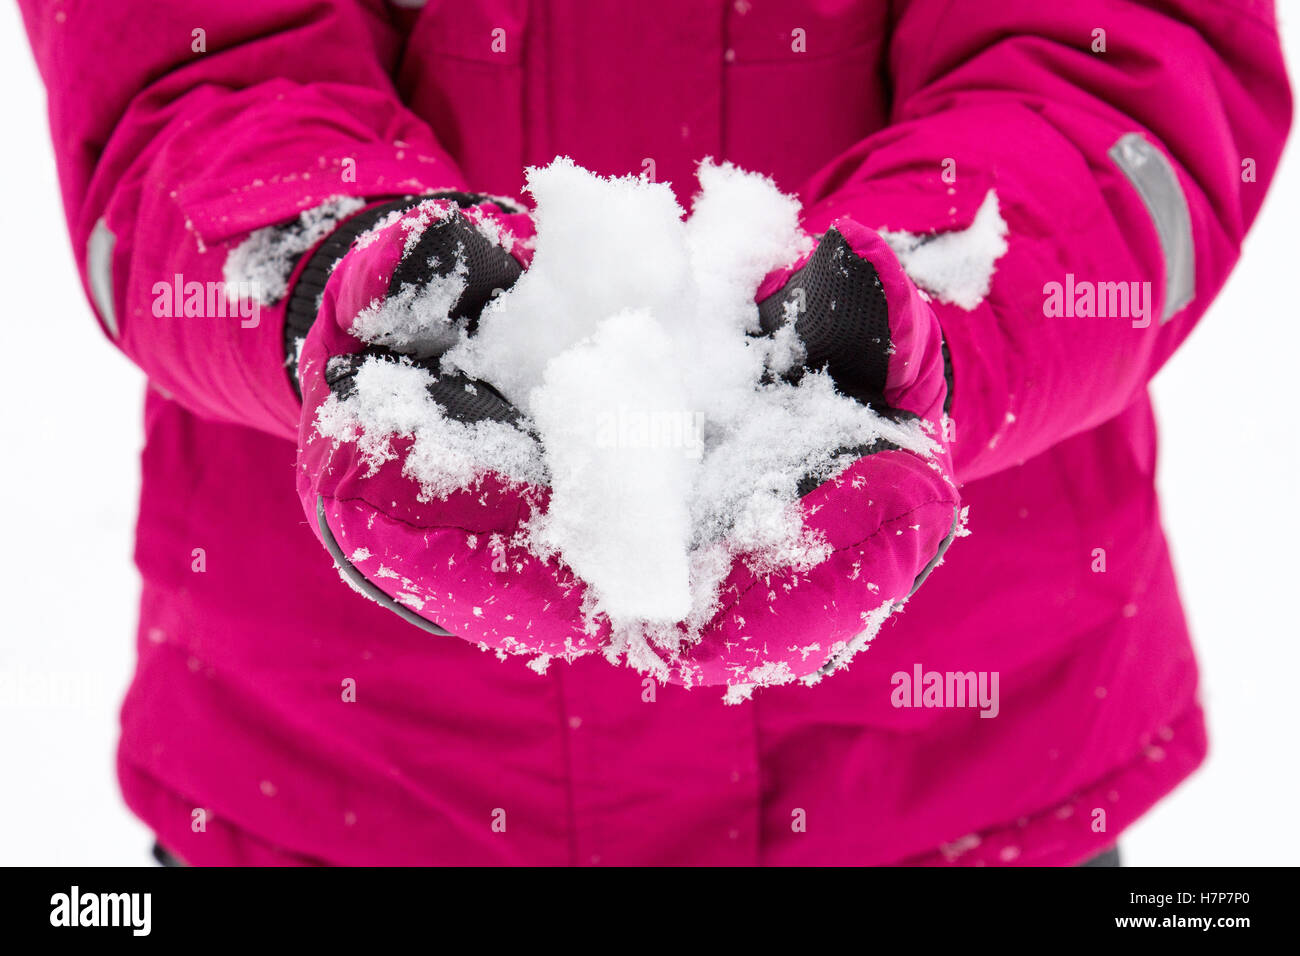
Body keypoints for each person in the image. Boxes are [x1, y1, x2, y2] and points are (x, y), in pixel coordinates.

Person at [18, 0, 1291, 866]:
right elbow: (183, 67)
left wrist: (932, 322)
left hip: (952, 775)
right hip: (347, 781)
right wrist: (341, 283)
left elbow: (1116, 59)